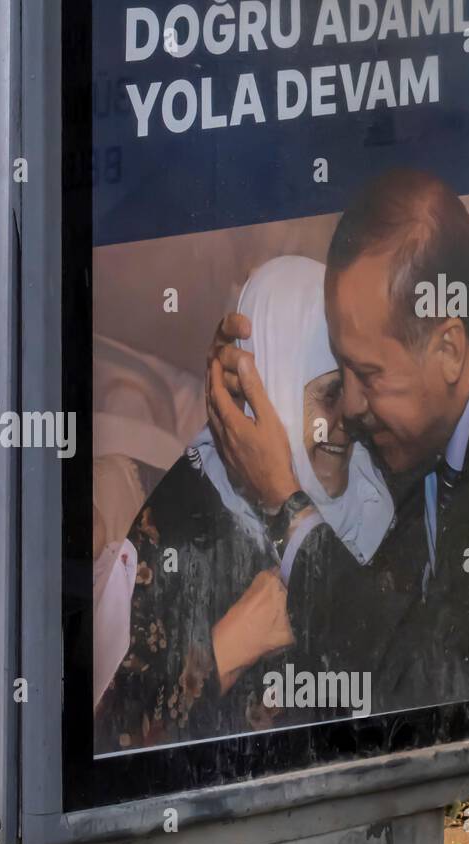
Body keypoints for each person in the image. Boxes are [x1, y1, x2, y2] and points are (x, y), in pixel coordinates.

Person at [205, 170, 469, 714]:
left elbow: (415, 696)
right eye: (338, 369)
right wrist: (254, 367)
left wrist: (287, 507)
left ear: (449, 349)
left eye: (368, 374)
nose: (351, 408)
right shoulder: (449, 387)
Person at [94, 256, 394, 753]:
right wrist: (226, 649)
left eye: (359, 389)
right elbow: (115, 740)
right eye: (329, 394)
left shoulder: (377, 507)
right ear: (265, 391)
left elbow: (410, 689)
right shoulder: (182, 524)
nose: (348, 419)